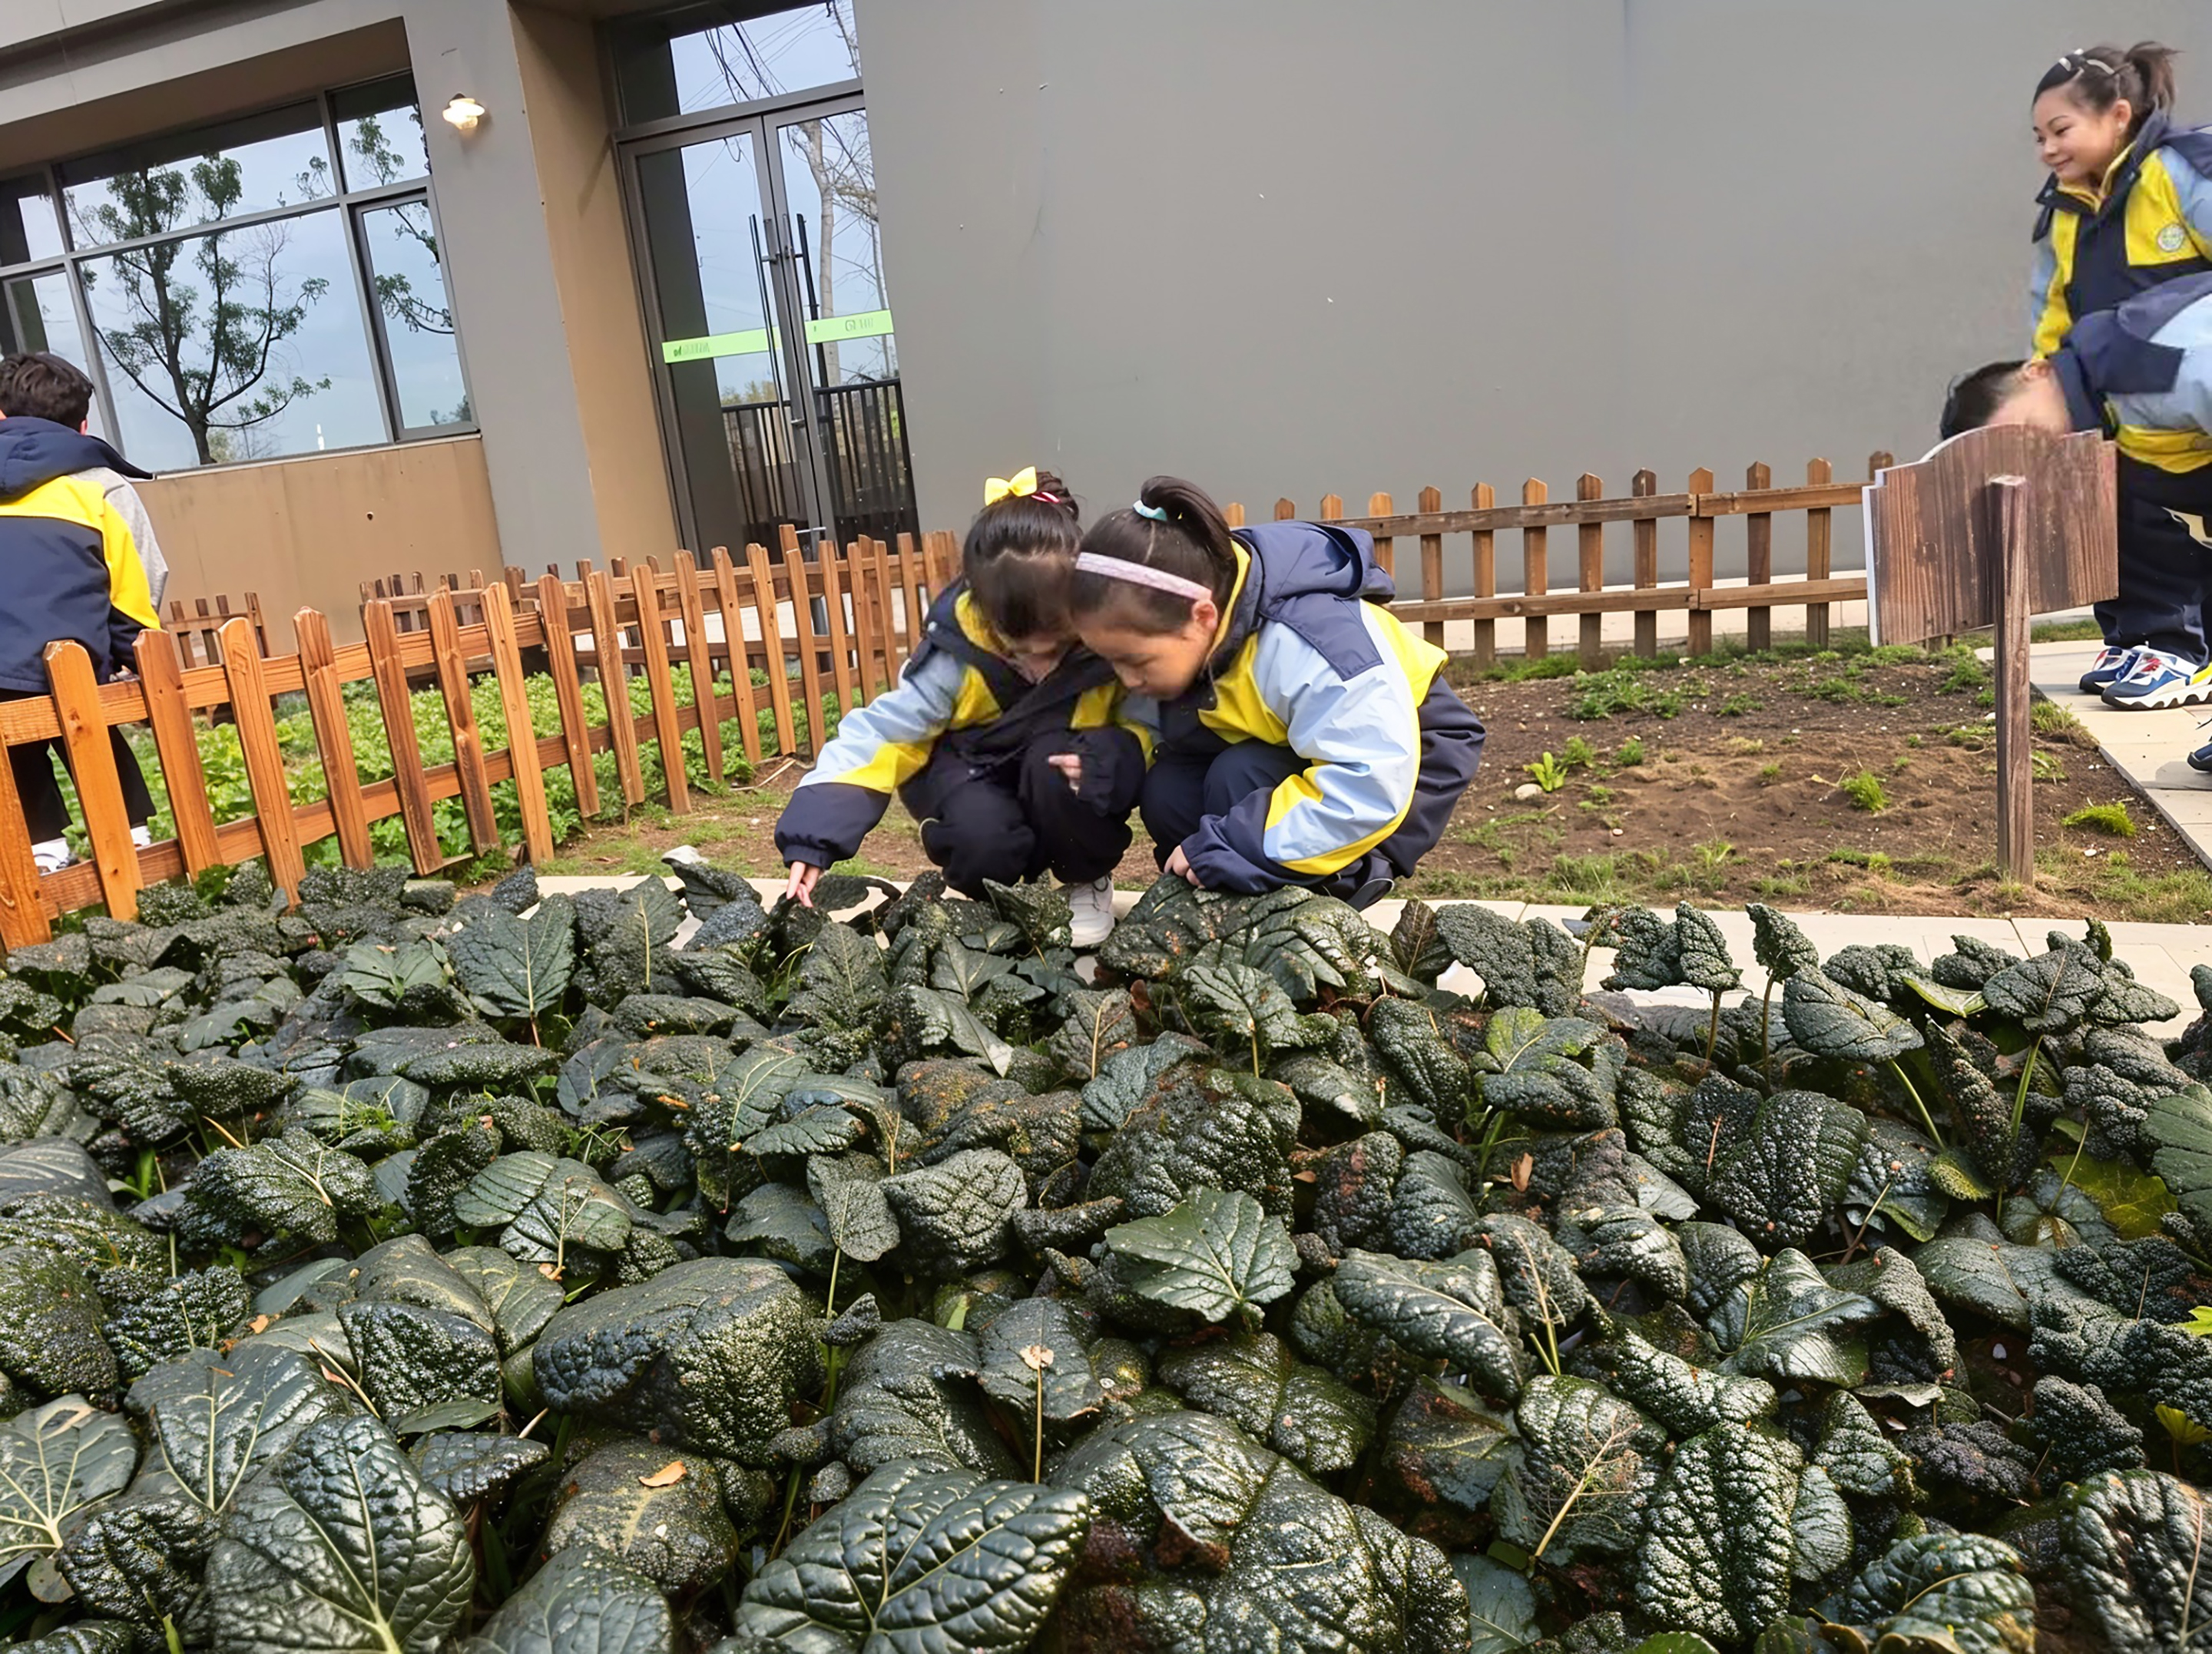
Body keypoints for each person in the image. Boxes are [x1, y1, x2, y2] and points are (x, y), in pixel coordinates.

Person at [1067, 475, 1484, 905]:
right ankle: (1220, 902)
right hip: (1290, 744)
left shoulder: (1307, 642)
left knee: (1239, 776)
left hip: (1400, 761)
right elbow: (1137, 727)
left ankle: (1321, 900)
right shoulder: (1186, 625)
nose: (1125, 679)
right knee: (1169, 792)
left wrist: (1236, 845)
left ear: (1202, 618)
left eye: (1136, 662)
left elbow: (1369, 784)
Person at [776, 468, 1146, 945]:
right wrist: (814, 836)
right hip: (975, 769)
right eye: (1020, 647)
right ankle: (996, 897)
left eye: (1057, 644)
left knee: (1065, 765)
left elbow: (1145, 728)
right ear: (984, 609)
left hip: (1061, 771)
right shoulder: (953, 658)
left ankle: (1084, 879)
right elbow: (882, 736)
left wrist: (1110, 762)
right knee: (980, 836)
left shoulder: (1106, 644)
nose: (1039, 661)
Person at [1942, 270, 2212, 726]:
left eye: (2023, 432)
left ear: (2037, 370)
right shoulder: (2111, 401)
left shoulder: (2159, 363)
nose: (2031, 454)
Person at [2025, 43, 2212, 693]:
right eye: (2039, 137)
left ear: (2119, 115)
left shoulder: (2179, 172)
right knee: (2111, 513)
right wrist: (2049, 377)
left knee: (2170, 522)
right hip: (2111, 396)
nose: (2048, 149)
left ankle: (2182, 649)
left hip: (2183, 390)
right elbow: (2052, 302)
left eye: (2061, 130)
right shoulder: (2064, 207)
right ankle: (2136, 636)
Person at [0, 352, 164, 872]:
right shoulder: (94, 493)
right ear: (83, 426)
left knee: (15, 750)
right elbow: (133, 598)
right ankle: (131, 835)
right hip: (74, 663)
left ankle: (44, 850)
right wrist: (134, 660)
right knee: (92, 734)